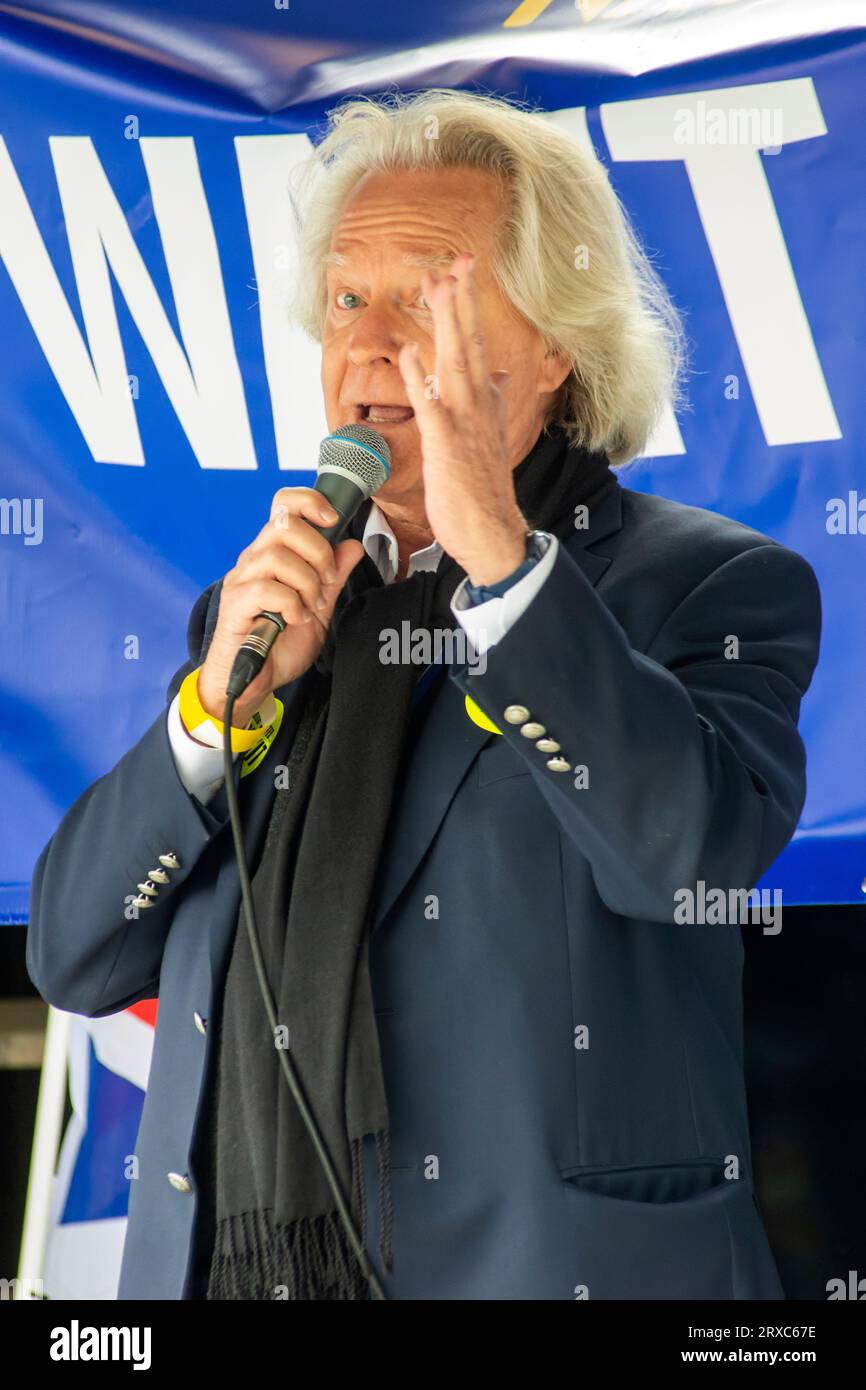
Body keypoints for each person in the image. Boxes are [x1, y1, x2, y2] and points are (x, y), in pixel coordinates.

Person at [28, 88, 821, 1300]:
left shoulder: (710, 585)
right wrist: (210, 716)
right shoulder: (263, 613)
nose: (371, 341)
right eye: (349, 297)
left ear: (555, 346)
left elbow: (685, 858)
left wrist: (506, 574)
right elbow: (76, 956)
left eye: (429, 295)